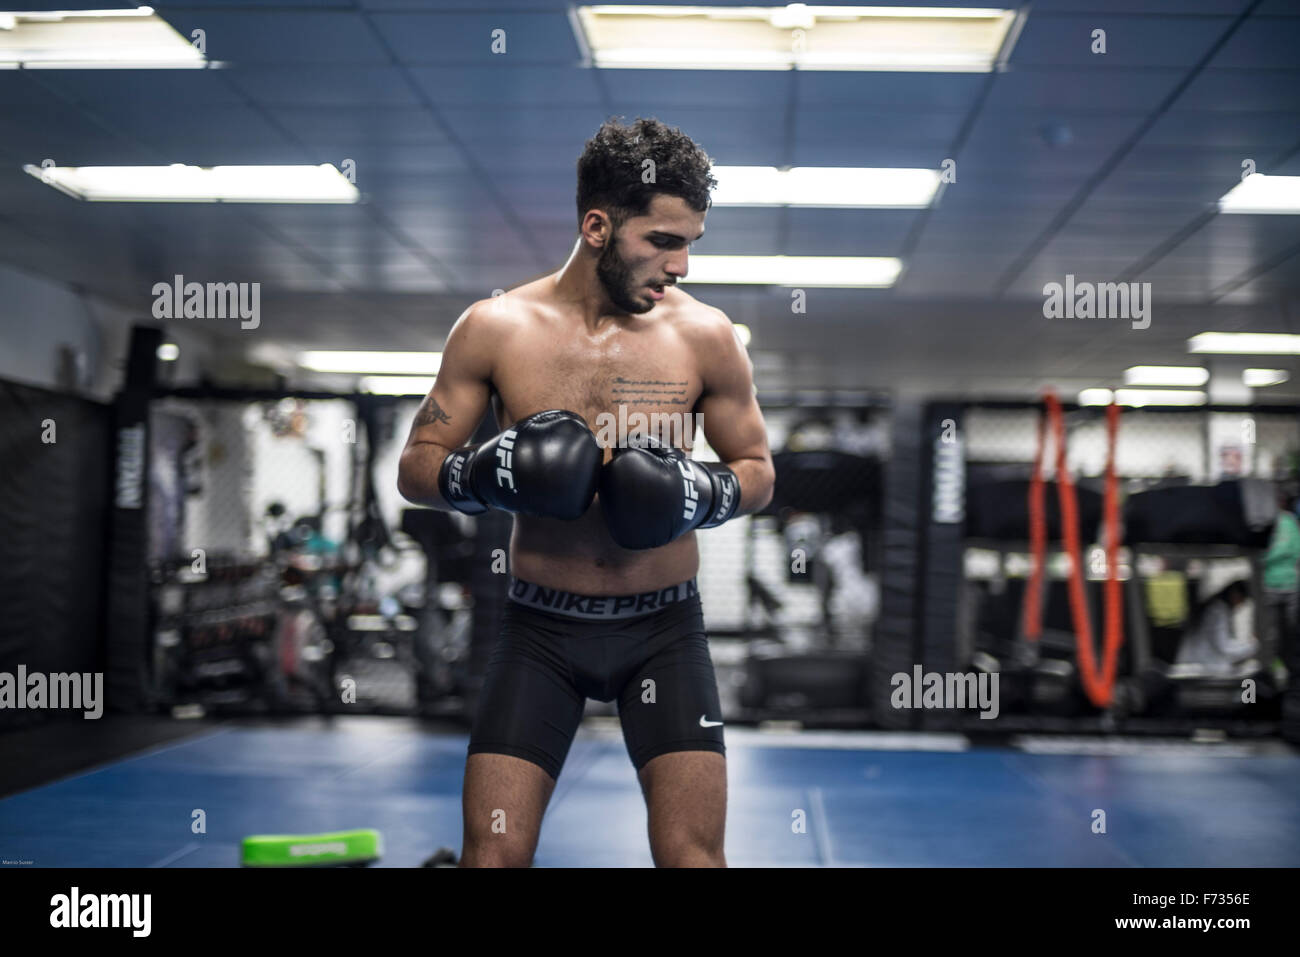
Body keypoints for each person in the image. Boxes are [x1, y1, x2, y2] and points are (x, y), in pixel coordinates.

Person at [396, 117, 775, 867]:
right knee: (492, 855)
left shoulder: (708, 337)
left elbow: (758, 469)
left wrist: (698, 489)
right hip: (541, 631)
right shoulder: (496, 328)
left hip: (664, 630)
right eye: (664, 241)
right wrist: (485, 474)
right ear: (597, 225)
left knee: (692, 856)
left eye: (691, 242)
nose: (684, 266)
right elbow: (417, 466)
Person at [1173, 580, 1259, 677]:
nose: (1240, 606)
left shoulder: (1215, 608)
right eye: (1242, 601)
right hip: (1199, 670)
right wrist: (1251, 646)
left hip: (1197, 667)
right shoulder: (1217, 611)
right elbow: (1224, 647)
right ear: (1235, 594)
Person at [1262, 487, 1300, 675]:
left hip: (1282, 585)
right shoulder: (1274, 522)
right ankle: (1277, 666)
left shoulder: (1283, 521)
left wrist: (1272, 555)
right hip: (1277, 584)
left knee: (1282, 630)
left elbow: (1263, 555)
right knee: (1277, 630)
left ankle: (1281, 666)